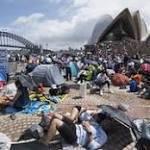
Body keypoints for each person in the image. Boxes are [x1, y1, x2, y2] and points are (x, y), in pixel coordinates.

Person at [40, 106, 107, 150]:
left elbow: (92, 147)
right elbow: (82, 113)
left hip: (76, 137)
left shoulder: (103, 136)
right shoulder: (95, 123)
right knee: (55, 115)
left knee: (55, 121)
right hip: (75, 127)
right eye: (99, 116)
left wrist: (89, 133)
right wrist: (94, 111)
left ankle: (43, 145)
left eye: (100, 117)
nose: (98, 118)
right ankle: (46, 131)